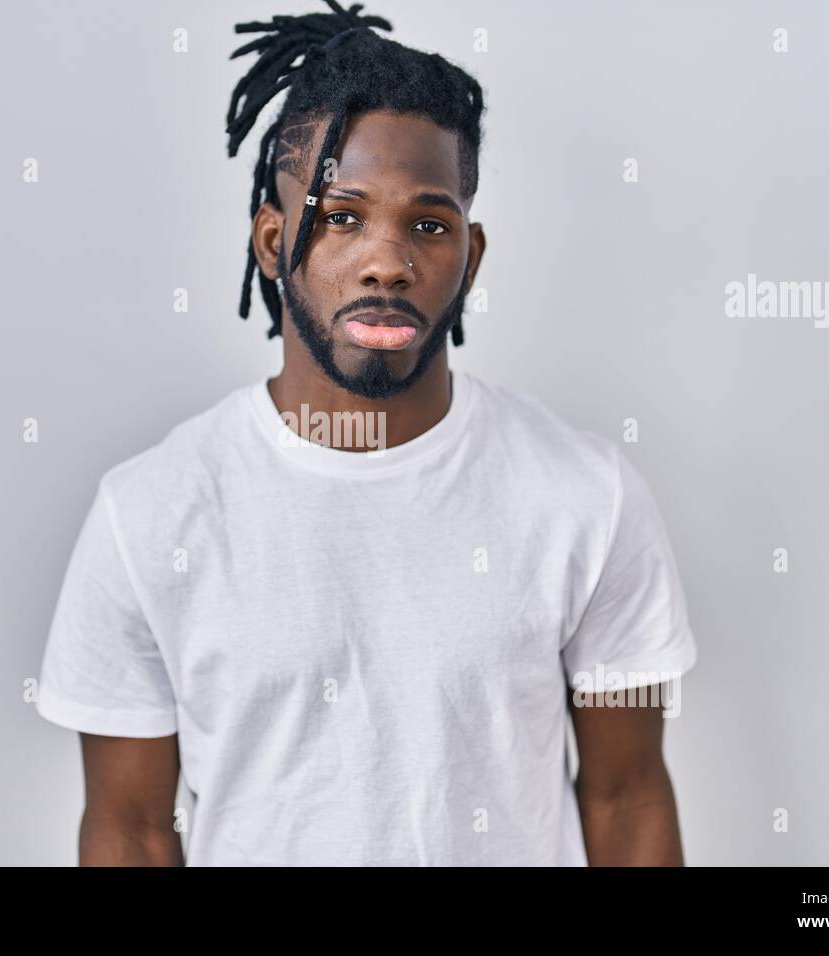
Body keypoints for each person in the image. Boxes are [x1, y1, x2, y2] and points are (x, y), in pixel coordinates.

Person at [35, 0, 698, 866]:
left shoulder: (587, 498)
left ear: (471, 256)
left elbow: (627, 797)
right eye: (342, 216)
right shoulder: (151, 514)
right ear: (272, 241)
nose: (388, 262)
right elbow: (128, 829)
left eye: (429, 224)